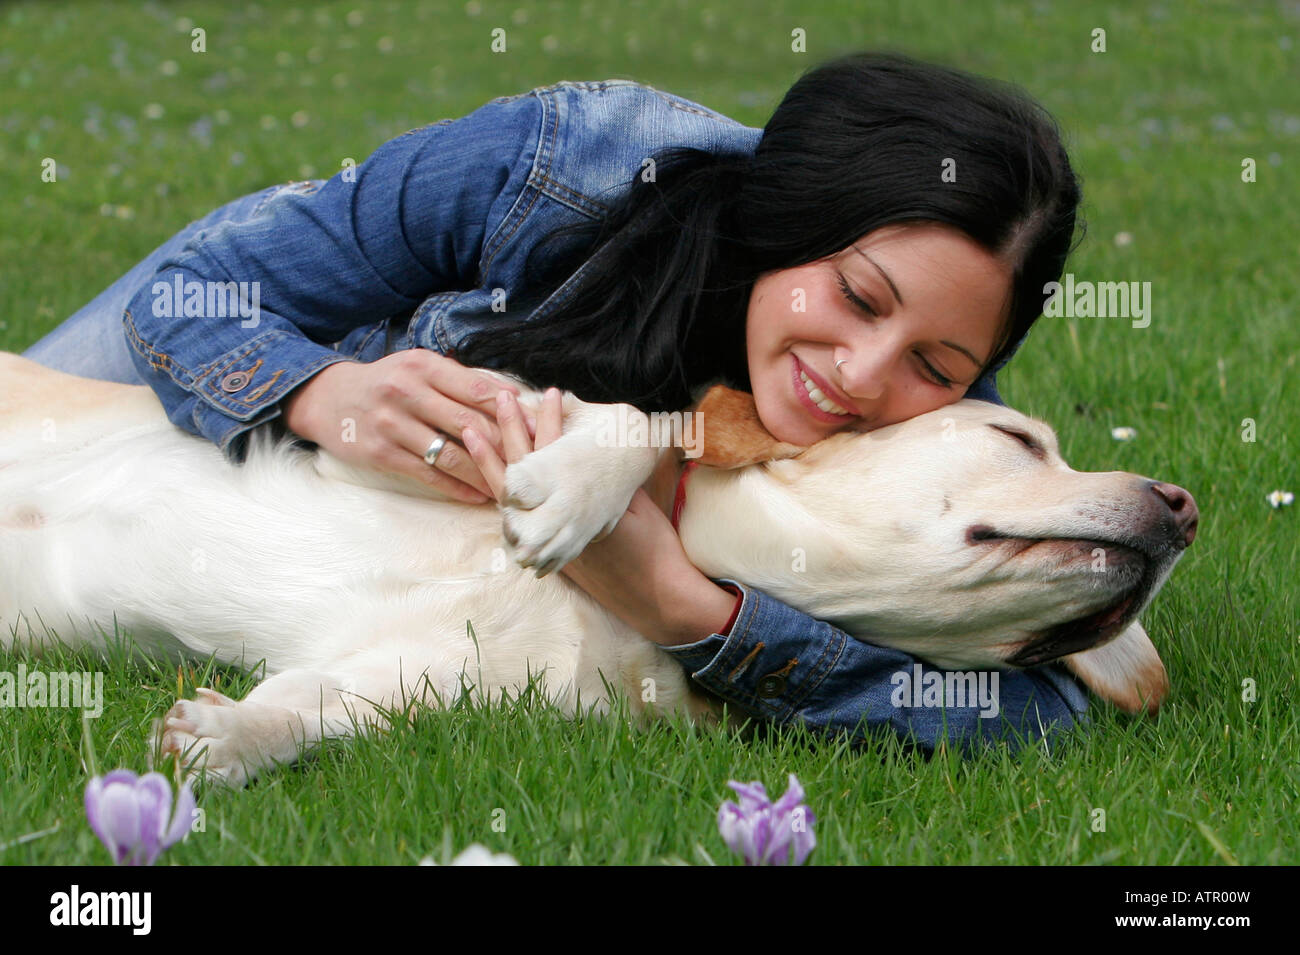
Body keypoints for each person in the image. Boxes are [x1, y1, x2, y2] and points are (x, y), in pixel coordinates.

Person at [22, 51, 1088, 755]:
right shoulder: (565, 162)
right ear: (784, 216)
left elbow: (1039, 714)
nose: (863, 377)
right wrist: (321, 392)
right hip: (262, 327)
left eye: (939, 365)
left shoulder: (942, 437)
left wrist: (693, 615)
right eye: (856, 297)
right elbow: (191, 304)